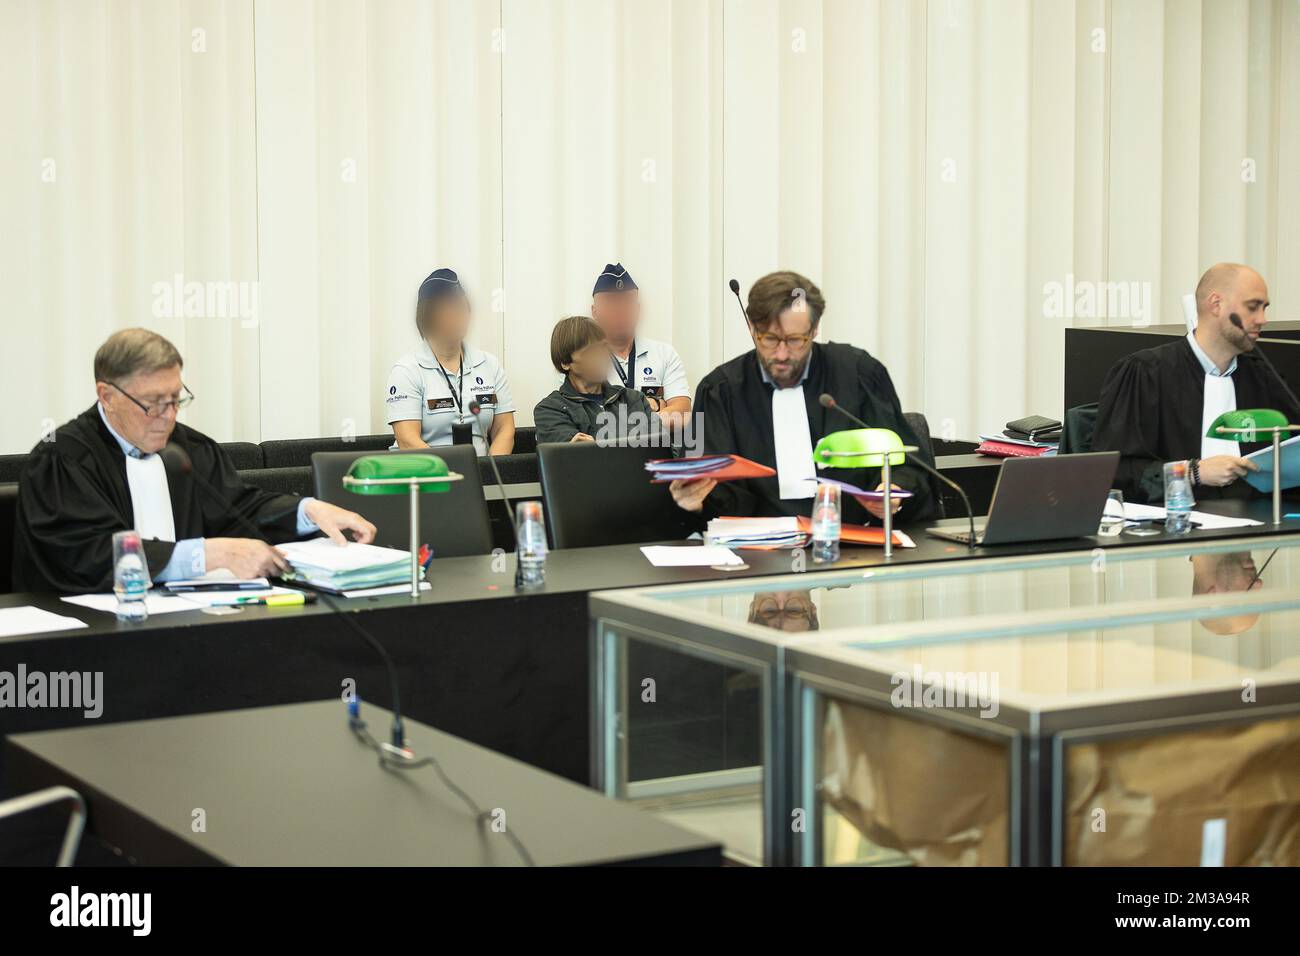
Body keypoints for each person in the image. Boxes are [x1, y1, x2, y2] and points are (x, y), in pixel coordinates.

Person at [13, 328, 376, 593]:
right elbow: (85, 556)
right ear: (106, 396)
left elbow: (238, 508)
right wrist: (206, 554)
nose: (168, 416)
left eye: (176, 399)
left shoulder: (188, 449)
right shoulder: (64, 459)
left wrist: (308, 510)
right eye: (152, 403)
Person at [669, 271, 937, 525]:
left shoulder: (858, 375)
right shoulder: (721, 391)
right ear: (752, 328)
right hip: (754, 556)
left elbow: (909, 465)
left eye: (796, 340)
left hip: (853, 548)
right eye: (770, 339)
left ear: (815, 329)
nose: (783, 354)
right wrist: (694, 502)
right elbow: (708, 490)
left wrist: (892, 491)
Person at [1092, 263, 1300, 503]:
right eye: (1252, 307)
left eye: (1264, 308)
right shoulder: (1145, 373)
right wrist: (1193, 472)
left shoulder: (1263, 376)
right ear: (1216, 304)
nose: (1262, 319)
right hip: (1171, 524)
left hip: (1258, 521)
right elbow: (1113, 471)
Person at [387, 268, 515, 455]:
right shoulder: (407, 370)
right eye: (450, 310)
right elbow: (408, 441)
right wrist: (454, 475)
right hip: (428, 476)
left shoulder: (489, 365)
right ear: (428, 317)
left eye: (462, 308)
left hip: (481, 475)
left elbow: (505, 429)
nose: (459, 317)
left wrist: (487, 472)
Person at [534, 316, 662, 444]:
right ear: (565, 363)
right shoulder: (550, 410)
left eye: (604, 347)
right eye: (589, 352)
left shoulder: (633, 399)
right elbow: (575, 459)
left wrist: (597, 445)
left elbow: (662, 449)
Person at [590, 263, 691, 427]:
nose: (620, 309)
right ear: (595, 312)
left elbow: (682, 413)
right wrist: (653, 407)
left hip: (659, 450)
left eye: (627, 302)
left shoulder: (664, 354)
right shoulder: (579, 359)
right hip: (604, 452)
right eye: (611, 302)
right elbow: (584, 419)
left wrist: (621, 423)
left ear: (637, 309)